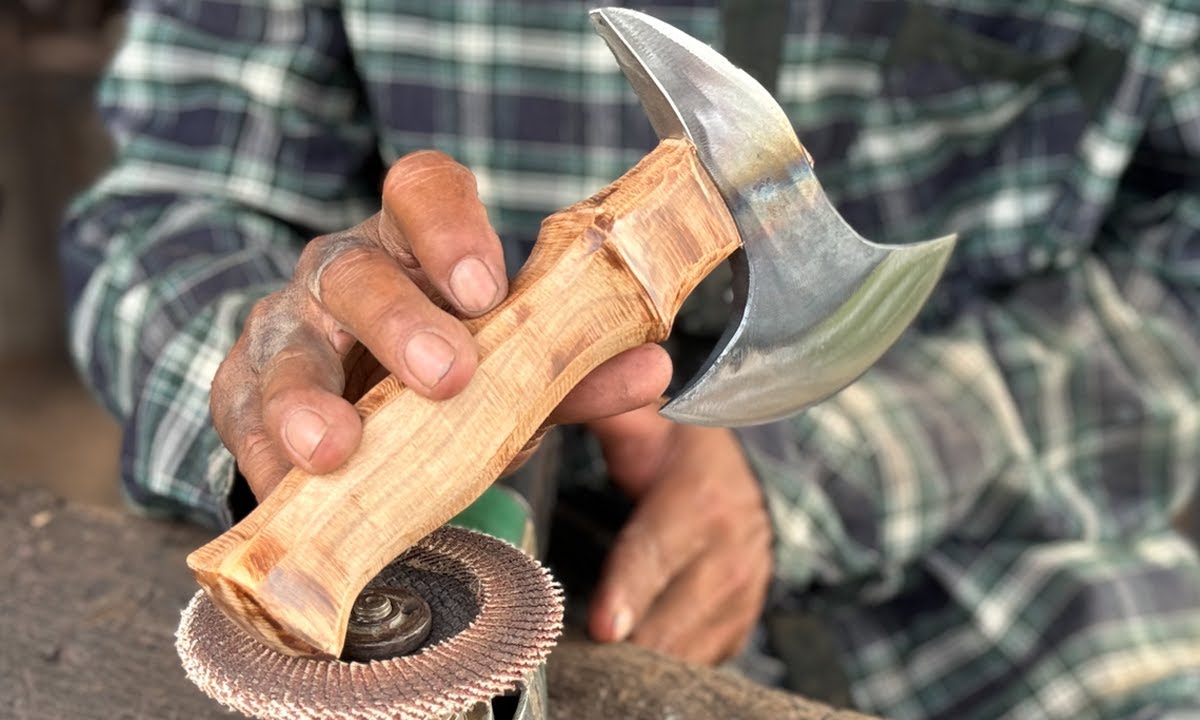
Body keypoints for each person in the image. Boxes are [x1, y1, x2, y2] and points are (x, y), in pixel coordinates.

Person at [59, 1, 1200, 718]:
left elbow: (1176, 290)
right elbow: (169, 201)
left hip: (985, 581)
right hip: (405, 546)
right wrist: (262, 375)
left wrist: (801, 466)